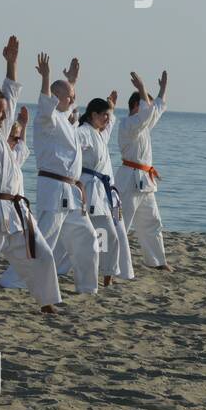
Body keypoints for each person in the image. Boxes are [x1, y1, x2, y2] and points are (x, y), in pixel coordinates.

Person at [0, 33, 61, 312]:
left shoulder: (0, 135)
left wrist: (12, 63)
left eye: (5, 112)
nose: (5, 116)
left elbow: (12, 96)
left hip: (17, 212)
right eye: (0, 111)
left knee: (42, 254)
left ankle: (47, 301)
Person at [28, 53, 99, 295]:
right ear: (57, 97)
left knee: (88, 237)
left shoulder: (64, 120)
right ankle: (15, 279)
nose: (74, 99)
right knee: (44, 239)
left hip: (71, 191)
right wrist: (47, 78)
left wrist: (72, 81)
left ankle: (87, 287)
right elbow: (48, 105)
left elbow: (70, 112)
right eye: (70, 96)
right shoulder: (46, 119)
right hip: (55, 188)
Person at [74, 92, 134, 286]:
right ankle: (104, 274)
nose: (107, 120)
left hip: (102, 193)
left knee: (105, 236)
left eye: (108, 116)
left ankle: (106, 274)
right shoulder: (83, 131)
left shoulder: (98, 133)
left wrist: (111, 109)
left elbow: (107, 129)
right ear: (93, 115)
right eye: (104, 115)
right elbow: (72, 141)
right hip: (89, 191)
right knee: (102, 235)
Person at [117, 70, 171, 270]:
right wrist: (141, 88)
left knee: (152, 222)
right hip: (129, 180)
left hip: (146, 181)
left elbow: (156, 109)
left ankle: (157, 261)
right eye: (143, 102)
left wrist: (162, 89)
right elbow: (148, 113)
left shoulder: (143, 126)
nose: (148, 108)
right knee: (122, 223)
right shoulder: (128, 124)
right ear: (135, 106)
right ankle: (113, 263)